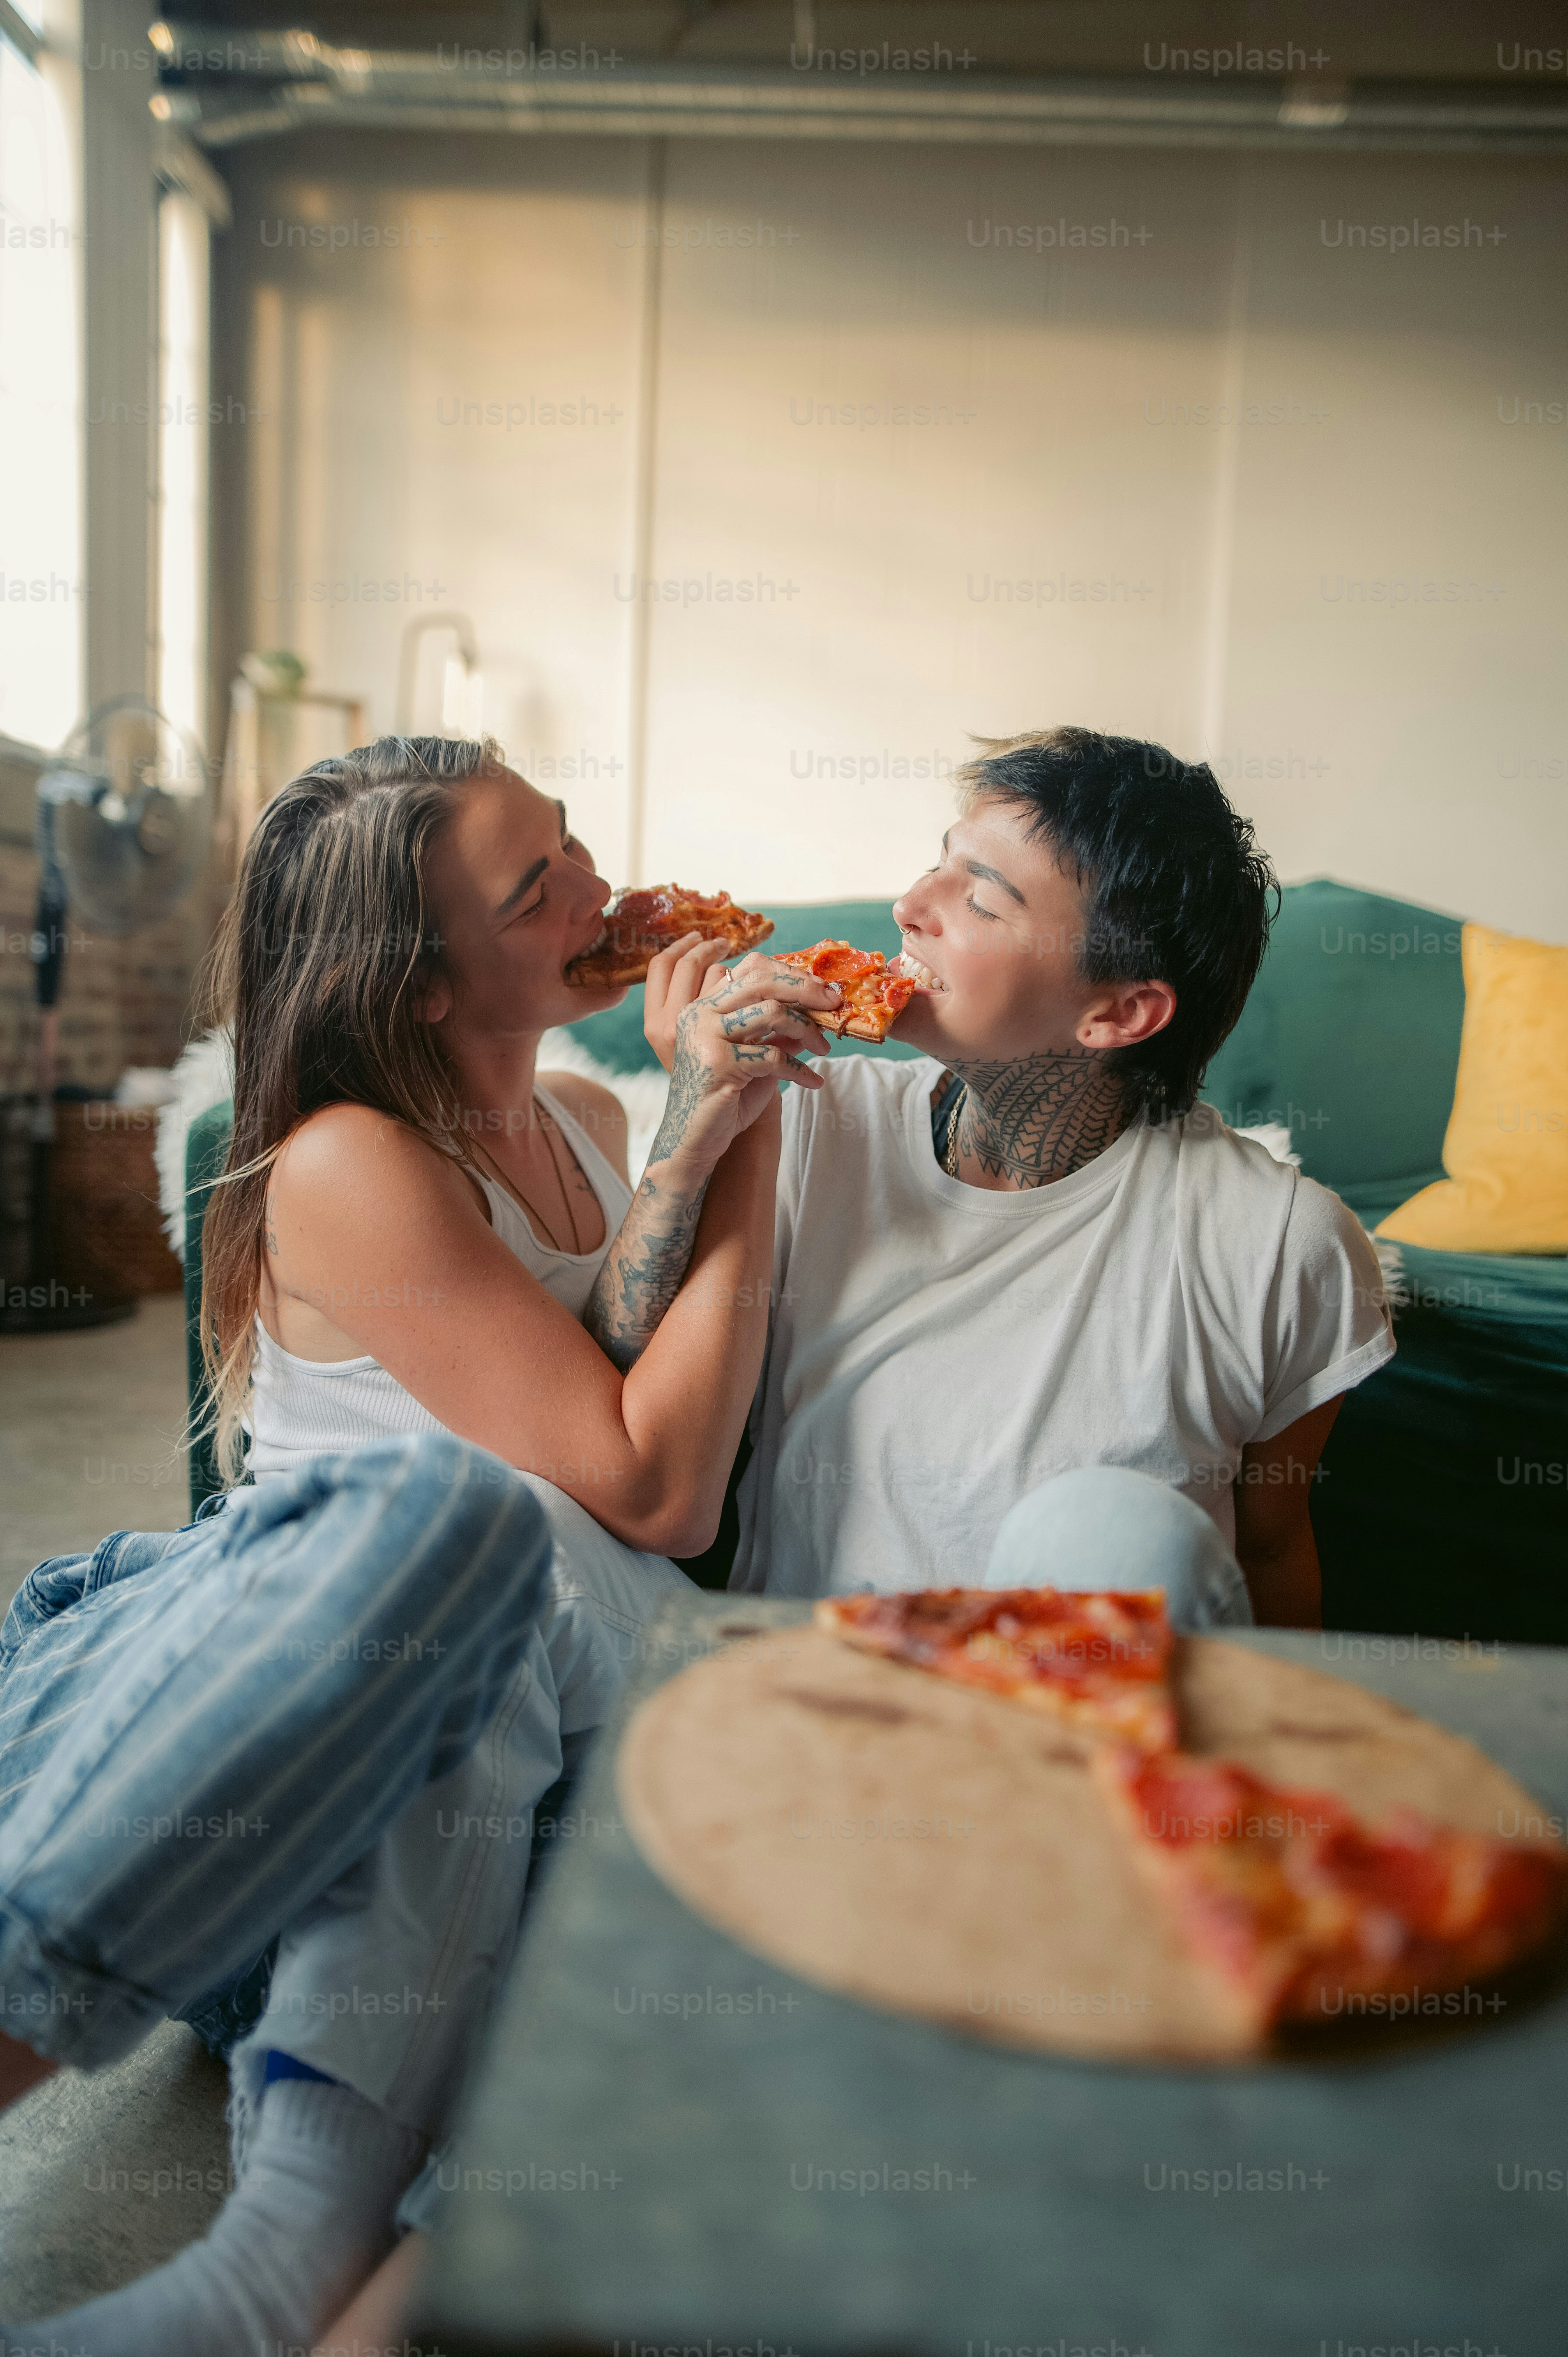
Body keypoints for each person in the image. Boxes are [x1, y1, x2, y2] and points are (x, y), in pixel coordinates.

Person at [3, 733, 841, 2355]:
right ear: (426, 991)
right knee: (508, 1537)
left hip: (543, 1804)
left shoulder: (587, 1114)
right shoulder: (350, 1164)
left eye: (577, 844)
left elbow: (603, 1366)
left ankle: (350, 2288)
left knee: (690, 1944)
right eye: (539, 891)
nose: (602, 892)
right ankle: (296, 2238)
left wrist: (696, 1135)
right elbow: (653, 1490)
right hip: (309, 1843)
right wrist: (745, 1126)